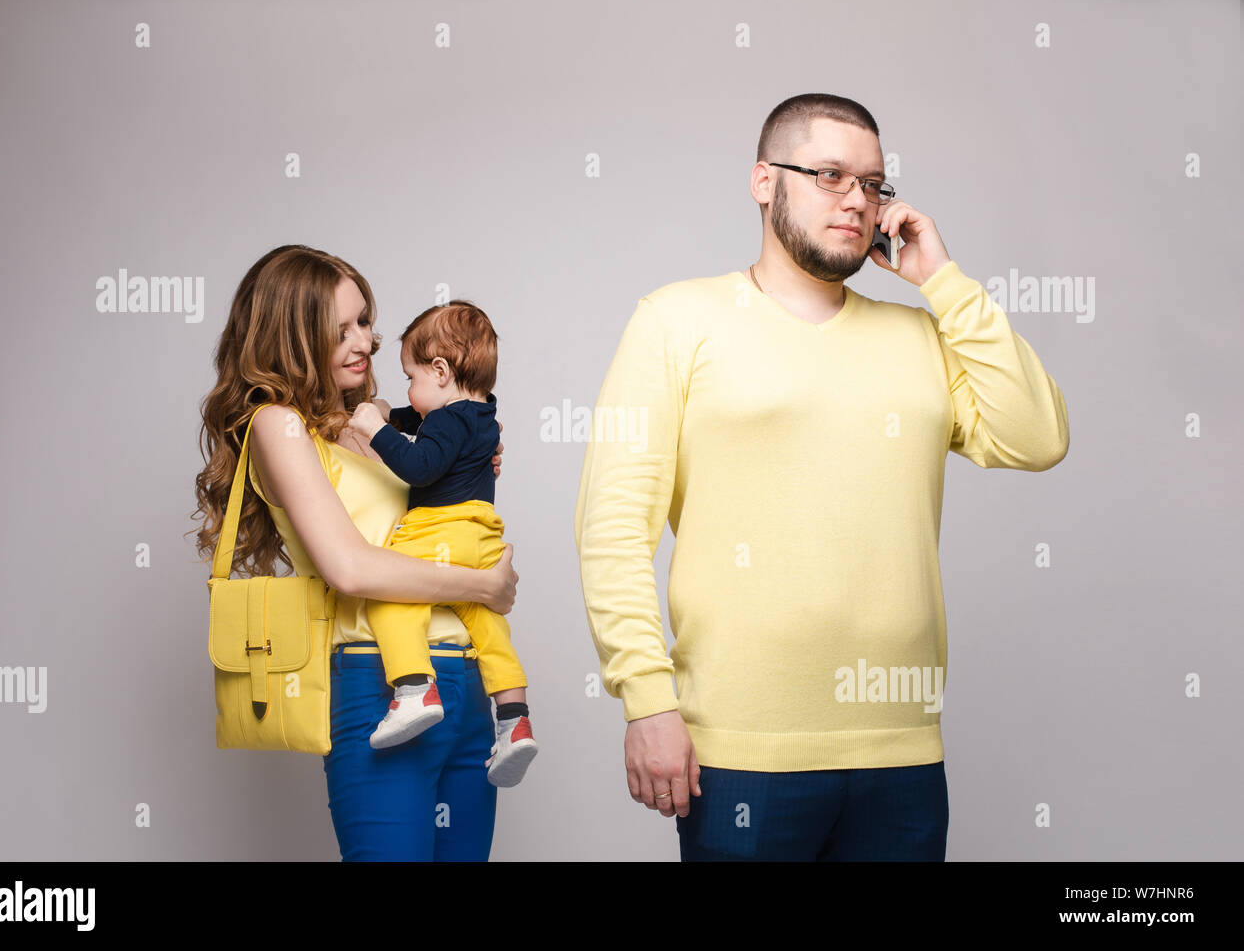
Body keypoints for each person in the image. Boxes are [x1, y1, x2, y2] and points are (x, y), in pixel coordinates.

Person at [572, 93, 1070, 861]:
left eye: (873, 183)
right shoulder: (675, 320)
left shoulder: (919, 335)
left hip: (900, 749)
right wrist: (647, 703)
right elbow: (611, 531)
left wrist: (944, 281)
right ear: (764, 180)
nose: (857, 201)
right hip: (741, 753)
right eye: (831, 174)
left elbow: (1037, 438)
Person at [193, 244, 518, 861]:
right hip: (380, 684)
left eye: (364, 320)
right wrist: (484, 587)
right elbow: (351, 568)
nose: (362, 341)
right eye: (337, 329)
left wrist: (474, 452)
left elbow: (447, 530)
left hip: (469, 681)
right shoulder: (277, 425)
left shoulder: (379, 425)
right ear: (290, 337)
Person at [345, 300, 538, 788]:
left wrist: (376, 429)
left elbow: (419, 468)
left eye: (412, 377)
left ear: (441, 370)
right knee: (487, 625)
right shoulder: (484, 416)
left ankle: (414, 689)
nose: (408, 391)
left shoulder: (447, 421)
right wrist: (394, 415)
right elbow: (420, 420)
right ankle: (514, 720)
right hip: (481, 536)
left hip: (439, 531)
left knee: (392, 600)